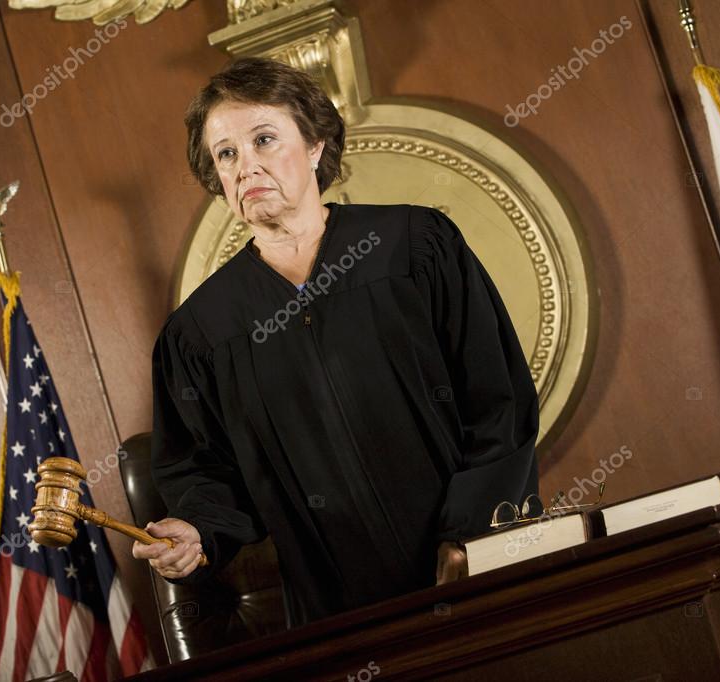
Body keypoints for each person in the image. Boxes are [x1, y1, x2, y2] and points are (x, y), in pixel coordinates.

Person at [132, 57, 539, 628]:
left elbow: (500, 401)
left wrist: (469, 536)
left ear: (317, 145)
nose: (245, 166)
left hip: (481, 574)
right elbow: (204, 473)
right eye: (226, 154)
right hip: (339, 613)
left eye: (264, 140)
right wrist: (196, 530)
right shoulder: (200, 333)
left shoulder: (415, 247)